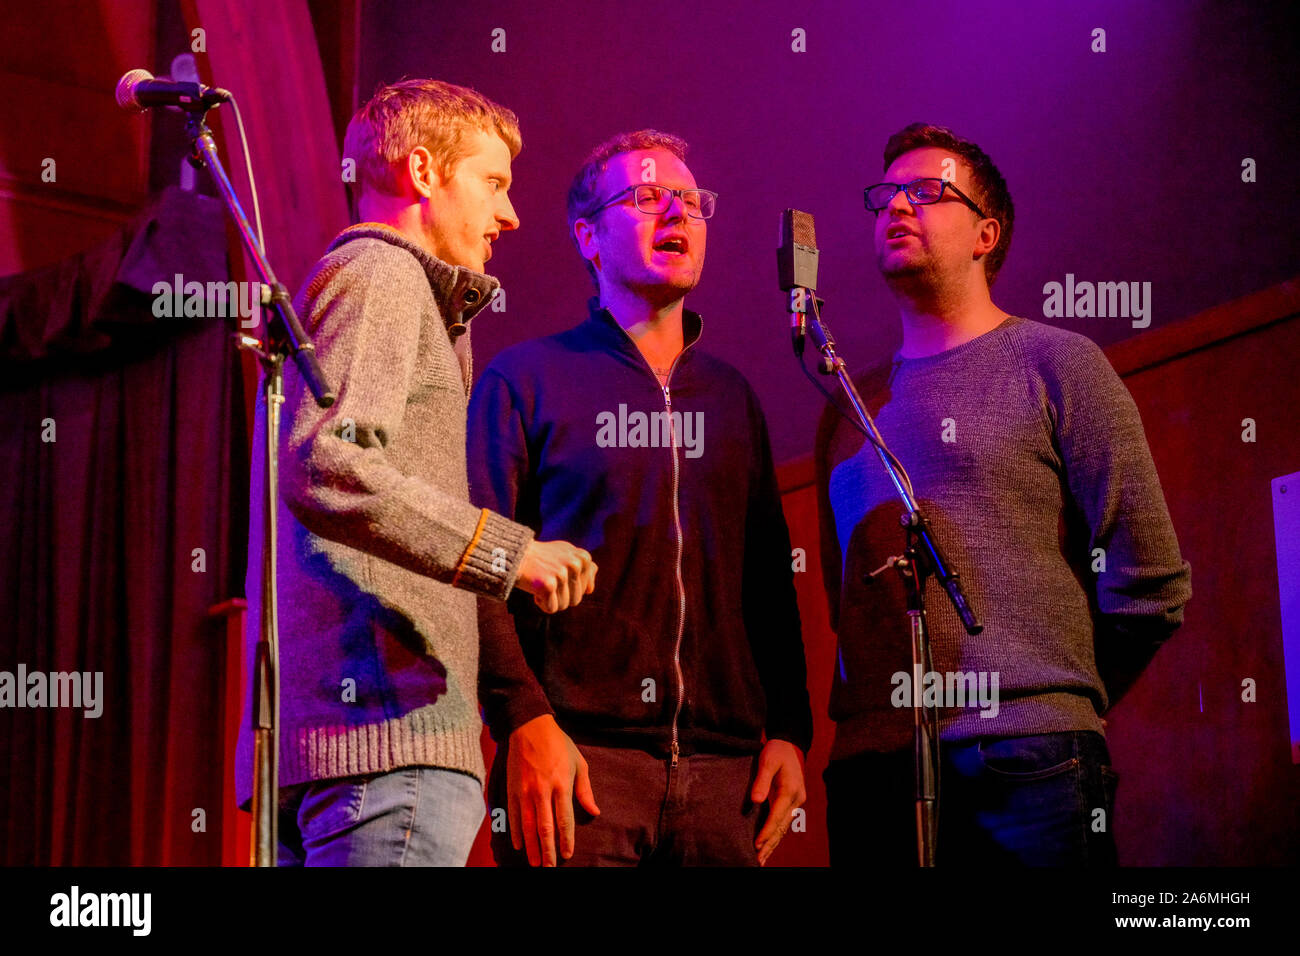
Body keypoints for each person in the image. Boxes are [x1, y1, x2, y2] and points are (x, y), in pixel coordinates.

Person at [235, 79, 597, 867]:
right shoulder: (384, 275)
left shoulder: (373, 286)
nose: (510, 215)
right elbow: (326, 463)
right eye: (494, 183)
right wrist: (510, 553)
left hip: (347, 748)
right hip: (389, 744)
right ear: (425, 171)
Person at [815, 122, 1192, 867]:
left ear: (986, 233)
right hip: (874, 771)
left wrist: (1049, 696)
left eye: (926, 192)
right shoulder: (847, 404)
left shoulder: (1058, 365)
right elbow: (848, 606)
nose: (896, 206)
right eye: (885, 194)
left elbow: (1151, 582)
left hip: (1030, 764)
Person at [468, 130, 813, 867]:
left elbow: (767, 582)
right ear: (588, 237)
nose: (677, 215)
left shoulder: (730, 398)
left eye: (690, 202)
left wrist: (790, 728)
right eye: (647, 197)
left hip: (729, 779)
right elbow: (475, 570)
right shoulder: (525, 380)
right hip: (579, 767)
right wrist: (523, 720)